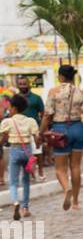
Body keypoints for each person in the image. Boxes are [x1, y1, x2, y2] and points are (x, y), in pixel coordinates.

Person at [42, 64, 83, 211]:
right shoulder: (82, 93)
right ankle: (76, 202)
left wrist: (40, 132)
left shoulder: (54, 91)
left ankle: (66, 189)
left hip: (60, 131)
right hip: (78, 129)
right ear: (73, 77)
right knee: (75, 166)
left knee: (60, 169)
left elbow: (47, 115)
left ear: (61, 77)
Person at [0, 92, 39, 220]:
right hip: (27, 151)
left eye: (9, 107)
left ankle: (16, 201)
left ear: (14, 109)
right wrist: (38, 144)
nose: (8, 110)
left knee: (13, 182)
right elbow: (37, 138)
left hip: (15, 150)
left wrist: (2, 142)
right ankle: (25, 207)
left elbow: (3, 138)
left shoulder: (7, 122)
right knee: (26, 180)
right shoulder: (30, 121)